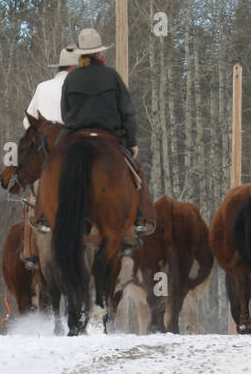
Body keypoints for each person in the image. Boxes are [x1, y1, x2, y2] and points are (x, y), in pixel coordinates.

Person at [56, 27, 155, 252]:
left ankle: (46, 214)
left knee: (52, 168)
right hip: (110, 137)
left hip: (74, 135)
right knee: (136, 172)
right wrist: (131, 141)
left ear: (81, 54)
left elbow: (65, 114)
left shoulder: (71, 79)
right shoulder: (111, 76)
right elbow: (127, 112)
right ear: (99, 54)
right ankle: (139, 218)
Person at [19, 45, 76, 268]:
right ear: (73, 68)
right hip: (74, 154)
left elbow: (27, 122)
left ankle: (30, 251)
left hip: (47, 158)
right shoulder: (78, 88)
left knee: (32, 199)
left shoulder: (42, 88)